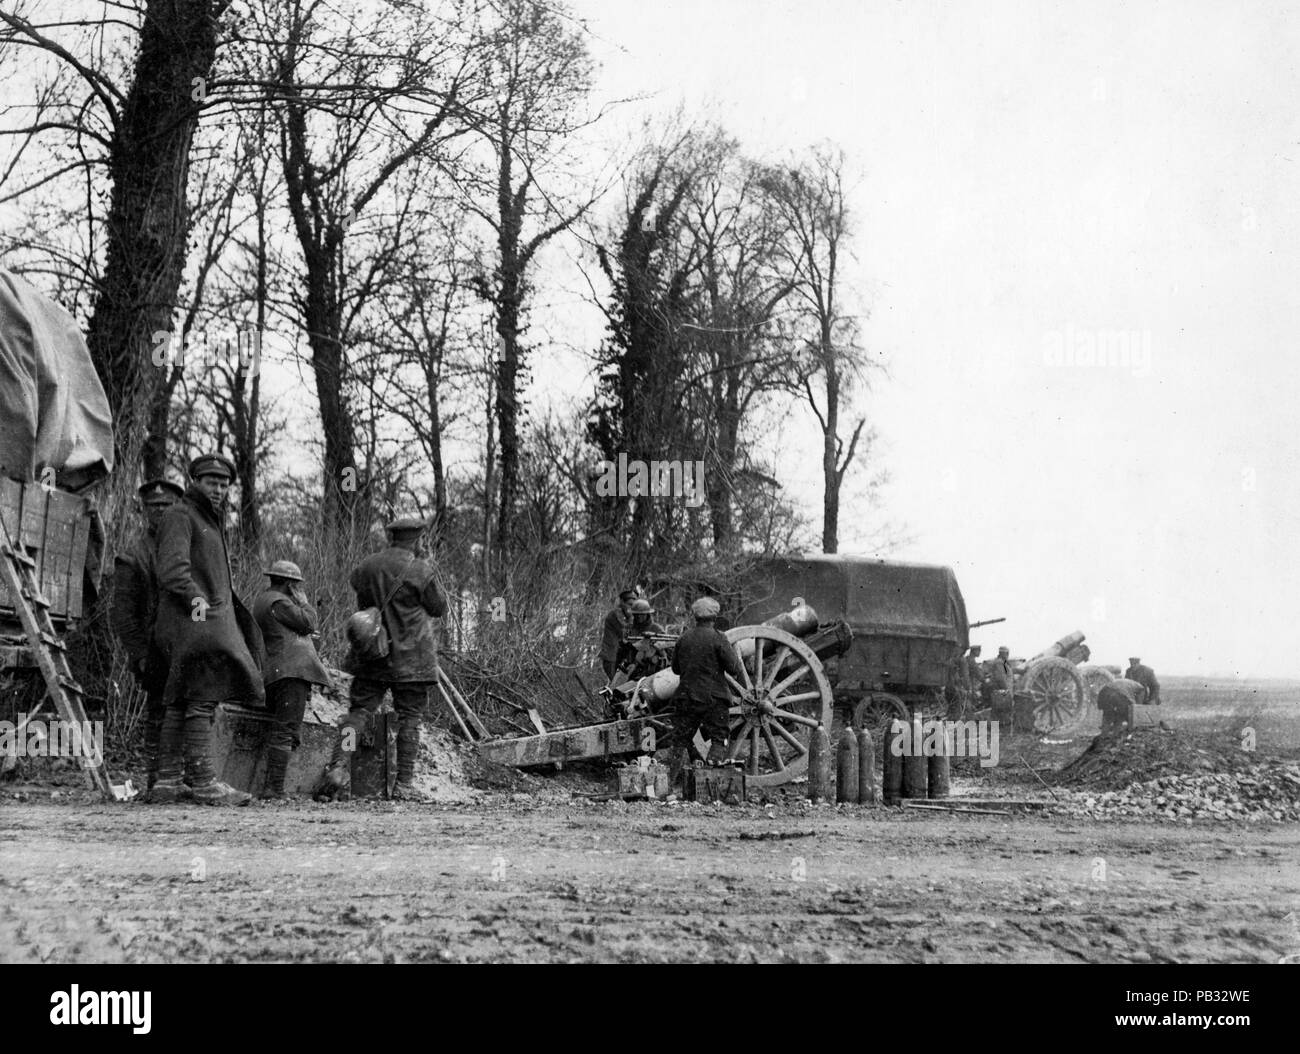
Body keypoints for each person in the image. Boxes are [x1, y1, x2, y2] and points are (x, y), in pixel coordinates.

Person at [151, 454, 265, 806]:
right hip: (195, 625)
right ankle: (203, 782)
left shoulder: (208, 520)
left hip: (196, 626)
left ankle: (168, 782)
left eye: (223, 484)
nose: (217, 490)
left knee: (180, 701)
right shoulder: (181, 515)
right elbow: (172, 571)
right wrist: (203, 608)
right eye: (210, 482)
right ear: (195, 481)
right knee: (200, 699)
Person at [316, 515, 447, 802]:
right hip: (412, 659)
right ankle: (403, 785)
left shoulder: (367, 565)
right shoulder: (421, 569)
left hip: (372, 653)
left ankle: (338, 767)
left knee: (359, 712)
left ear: (392, 537)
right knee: (410, 718)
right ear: (419, 539)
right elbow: (438, 608)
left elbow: (358, 590)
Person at [112, 475, 184, 792]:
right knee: (159, 713)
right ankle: (158, 781)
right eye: (153, 507)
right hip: (154, 651)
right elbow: (123, 614)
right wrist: (140, 655)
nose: (160, 512)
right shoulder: (133, 557)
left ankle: (178, 779)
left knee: (188, 711)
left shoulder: (183, 549)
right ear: (144, 511)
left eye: (167, 506)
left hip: (184, 646)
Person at [253, 560, 331, 800]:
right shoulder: (281, 602)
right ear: (289, 584)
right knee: (285, 730)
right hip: (292, 671)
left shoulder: (264, 599)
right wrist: (305, 602)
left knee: (286, 729)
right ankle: (273, 789)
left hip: (277, 670)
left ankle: (273, 788)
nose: (298, 589)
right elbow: (309, 623)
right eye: (296, 585)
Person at [666, 596, 744, 786]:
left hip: (686, 697)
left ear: (695, 617)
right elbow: (734, 667)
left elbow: (675, 669)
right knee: (718, 739)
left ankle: (666, 785)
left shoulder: (684, 638)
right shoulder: (718, 638)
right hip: (713, 699)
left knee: (679, 742)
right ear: (714, 617)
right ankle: (709, 785)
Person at [599, 589, 636, 679]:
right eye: (629, 604)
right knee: (616, 686)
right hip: (611, 658)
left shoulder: (625, 616)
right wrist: (631, 618)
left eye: (634, 606)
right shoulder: (615, 615)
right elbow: (624, 633)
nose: (631, 608)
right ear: (622, 602)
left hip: (620, 657)